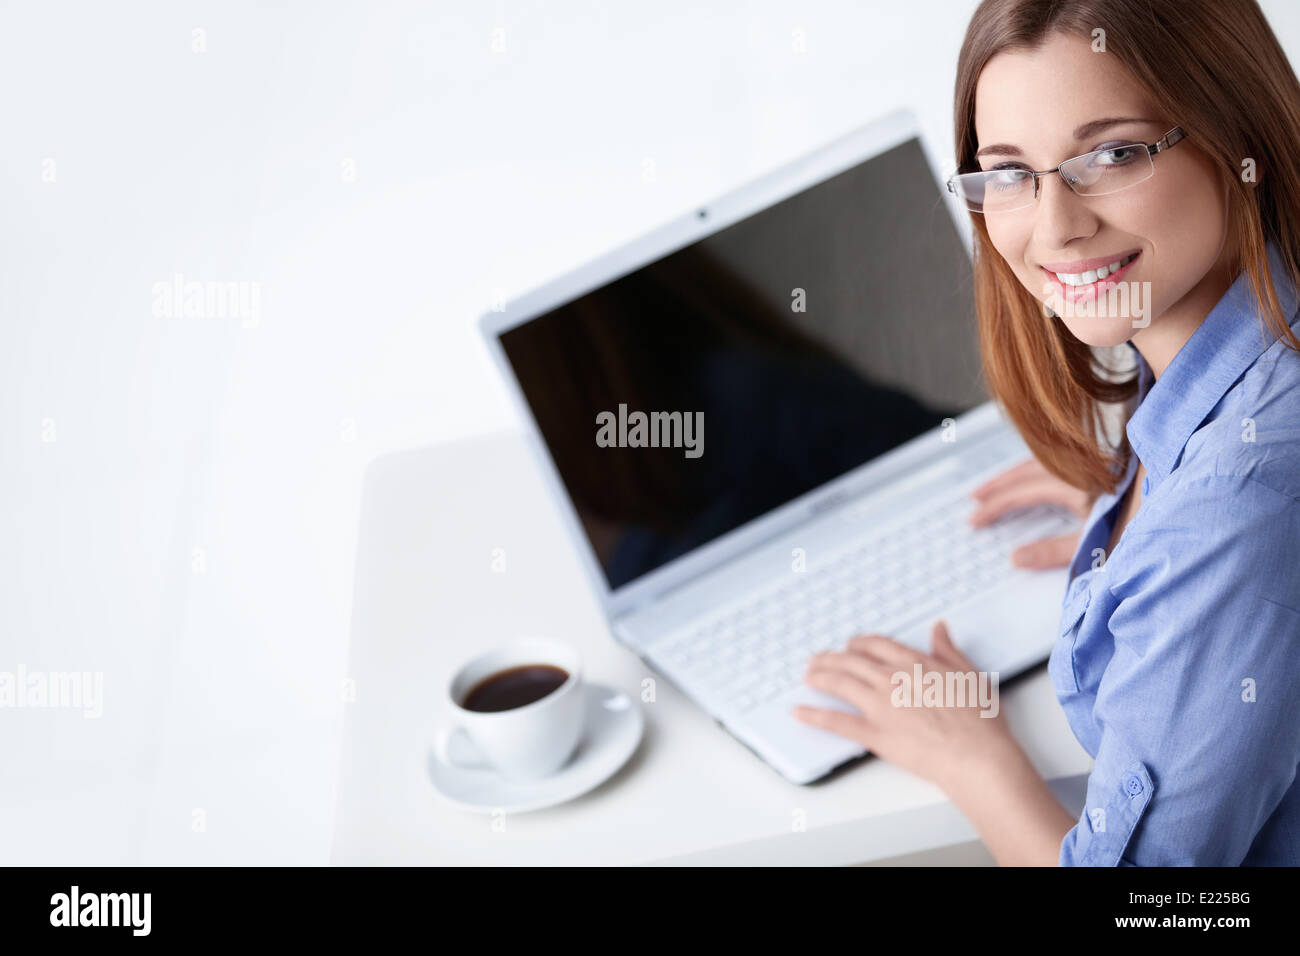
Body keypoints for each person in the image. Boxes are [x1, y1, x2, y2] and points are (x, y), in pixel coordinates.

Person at [792, 0, 1300, 865]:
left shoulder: (1236, 505)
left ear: (1235, 134)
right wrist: (1135, 496)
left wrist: (975, 758)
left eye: (1112, 154)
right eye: (1011, 173)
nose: (1055, 227)